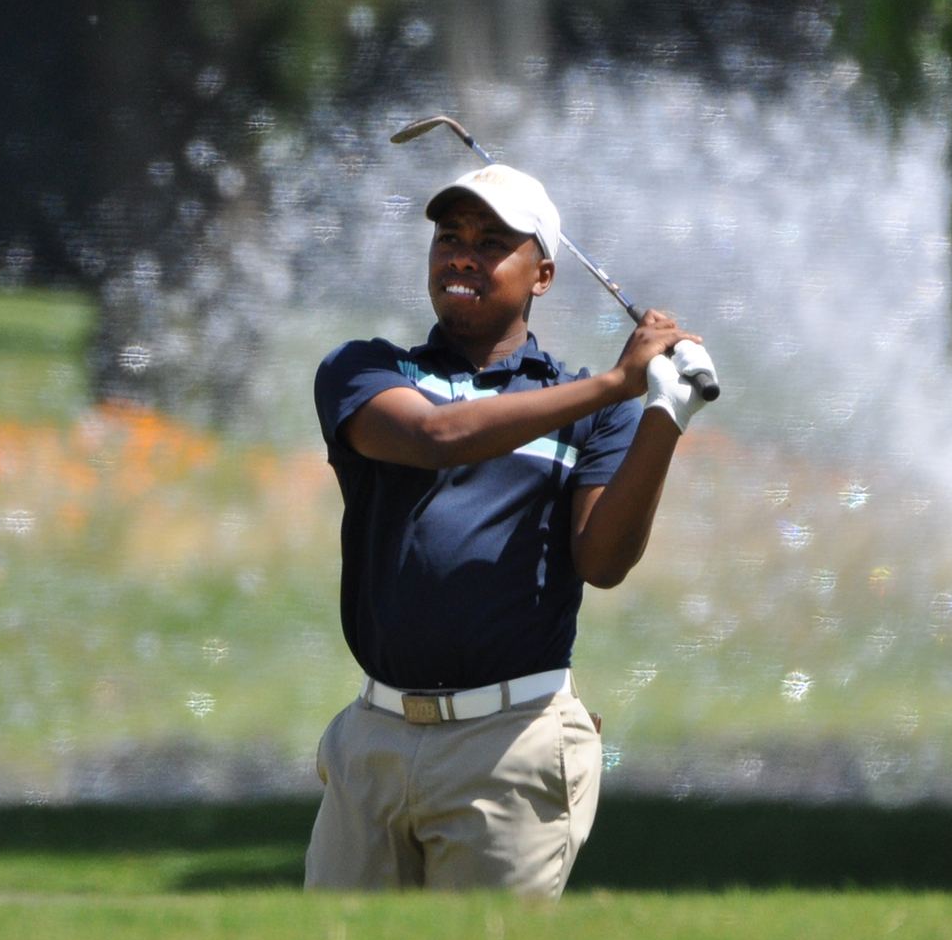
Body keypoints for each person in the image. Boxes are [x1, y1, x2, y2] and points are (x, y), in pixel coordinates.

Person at [306, 163, 717, 896]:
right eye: (449, 237)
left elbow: (603, 560)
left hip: (512, 743)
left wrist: (661, 416)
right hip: (375, 737)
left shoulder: (593, 411)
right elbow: (439, 435)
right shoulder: (365, 369)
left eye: (492, 242)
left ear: (543, 275)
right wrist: (614, 383)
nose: (462, 255)